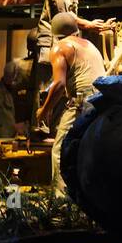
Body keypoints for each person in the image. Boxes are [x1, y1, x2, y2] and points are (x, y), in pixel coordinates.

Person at [37, 12, 107, 195]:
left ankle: (61, 202)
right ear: (76, 31)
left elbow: (59, 84)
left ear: (54, 33)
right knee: (89, 149)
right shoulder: (89, 45)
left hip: (83, 103)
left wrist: (43, 111)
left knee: (60, 150)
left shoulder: (60, 47)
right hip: (103, 101)